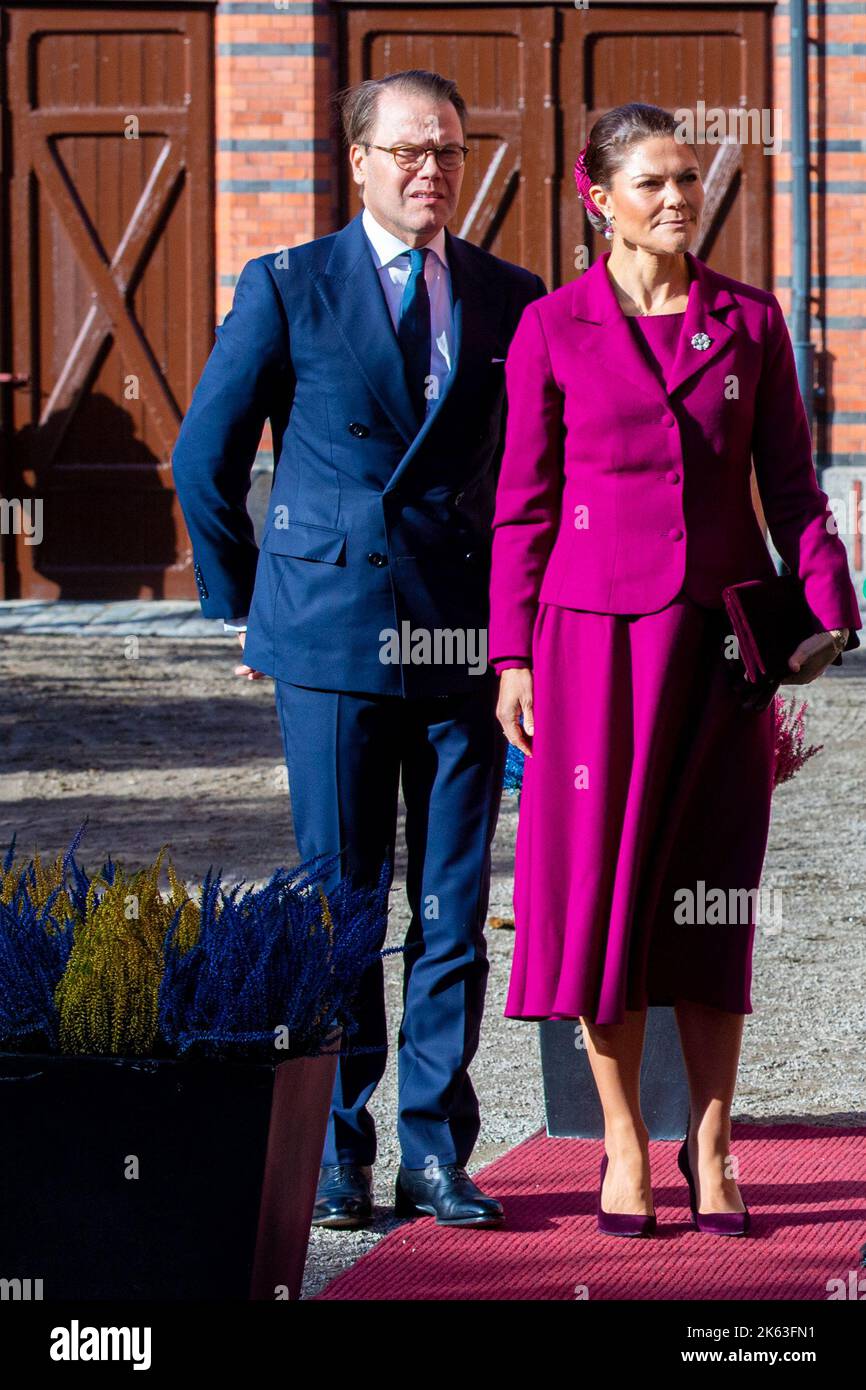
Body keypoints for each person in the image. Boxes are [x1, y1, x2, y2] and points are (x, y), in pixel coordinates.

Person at [171, 68, 547, 1230]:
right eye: (406, 150)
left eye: (447, 146)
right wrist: (246, 608)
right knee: (340, 903)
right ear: (358, 161)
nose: (429, 167)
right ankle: (337, 1145)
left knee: (448, 908)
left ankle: (432, 1150)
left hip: (463, 643)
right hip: (332, 643)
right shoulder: (286, 284)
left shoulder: (509, 294)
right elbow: (204, 457)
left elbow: (537, 474)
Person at [488, 102, 861, 1236]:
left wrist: (826, 611)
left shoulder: (746, 325)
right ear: (595, 196)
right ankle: (618, 1147)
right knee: (602, 901)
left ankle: (711, 1143)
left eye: (687, 178)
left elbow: (792, 490)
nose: (676, 199)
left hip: (716, 658)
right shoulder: (550, 328)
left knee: (709, 897)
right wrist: (508, 653)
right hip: (590, 649)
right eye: (650, 181)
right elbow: (521, 511)